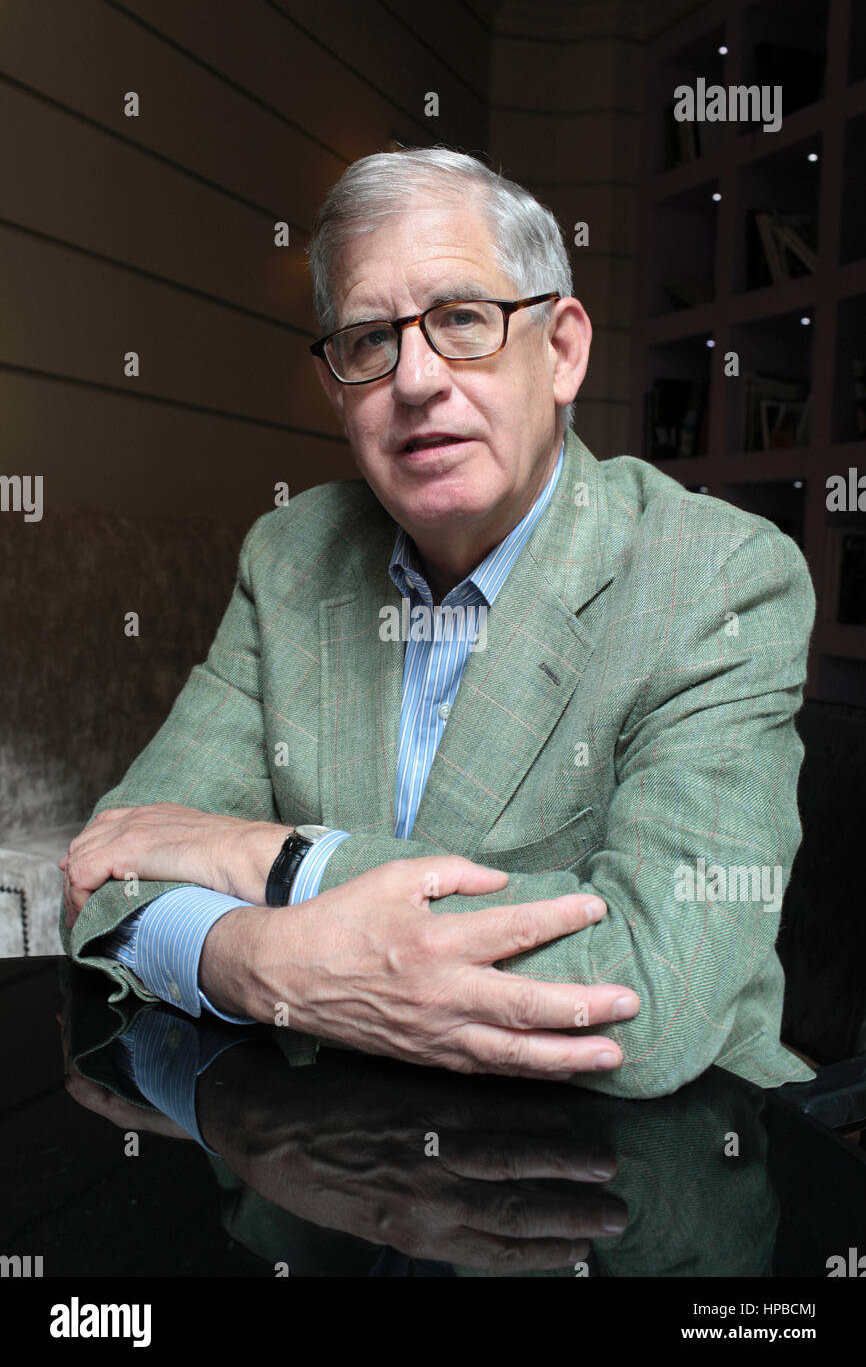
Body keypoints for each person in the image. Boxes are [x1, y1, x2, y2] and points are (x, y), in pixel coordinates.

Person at [59, 146, 816, 1097]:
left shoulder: (719, 576)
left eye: (464, 318)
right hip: (332, 1167)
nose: (415, 379)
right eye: (371, 340)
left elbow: (652, 992)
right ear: (339, 389)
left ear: (563, 351)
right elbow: (110, 878)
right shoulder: (289, 557)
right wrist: (256, 965)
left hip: (649, 1183)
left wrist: (267, 860)